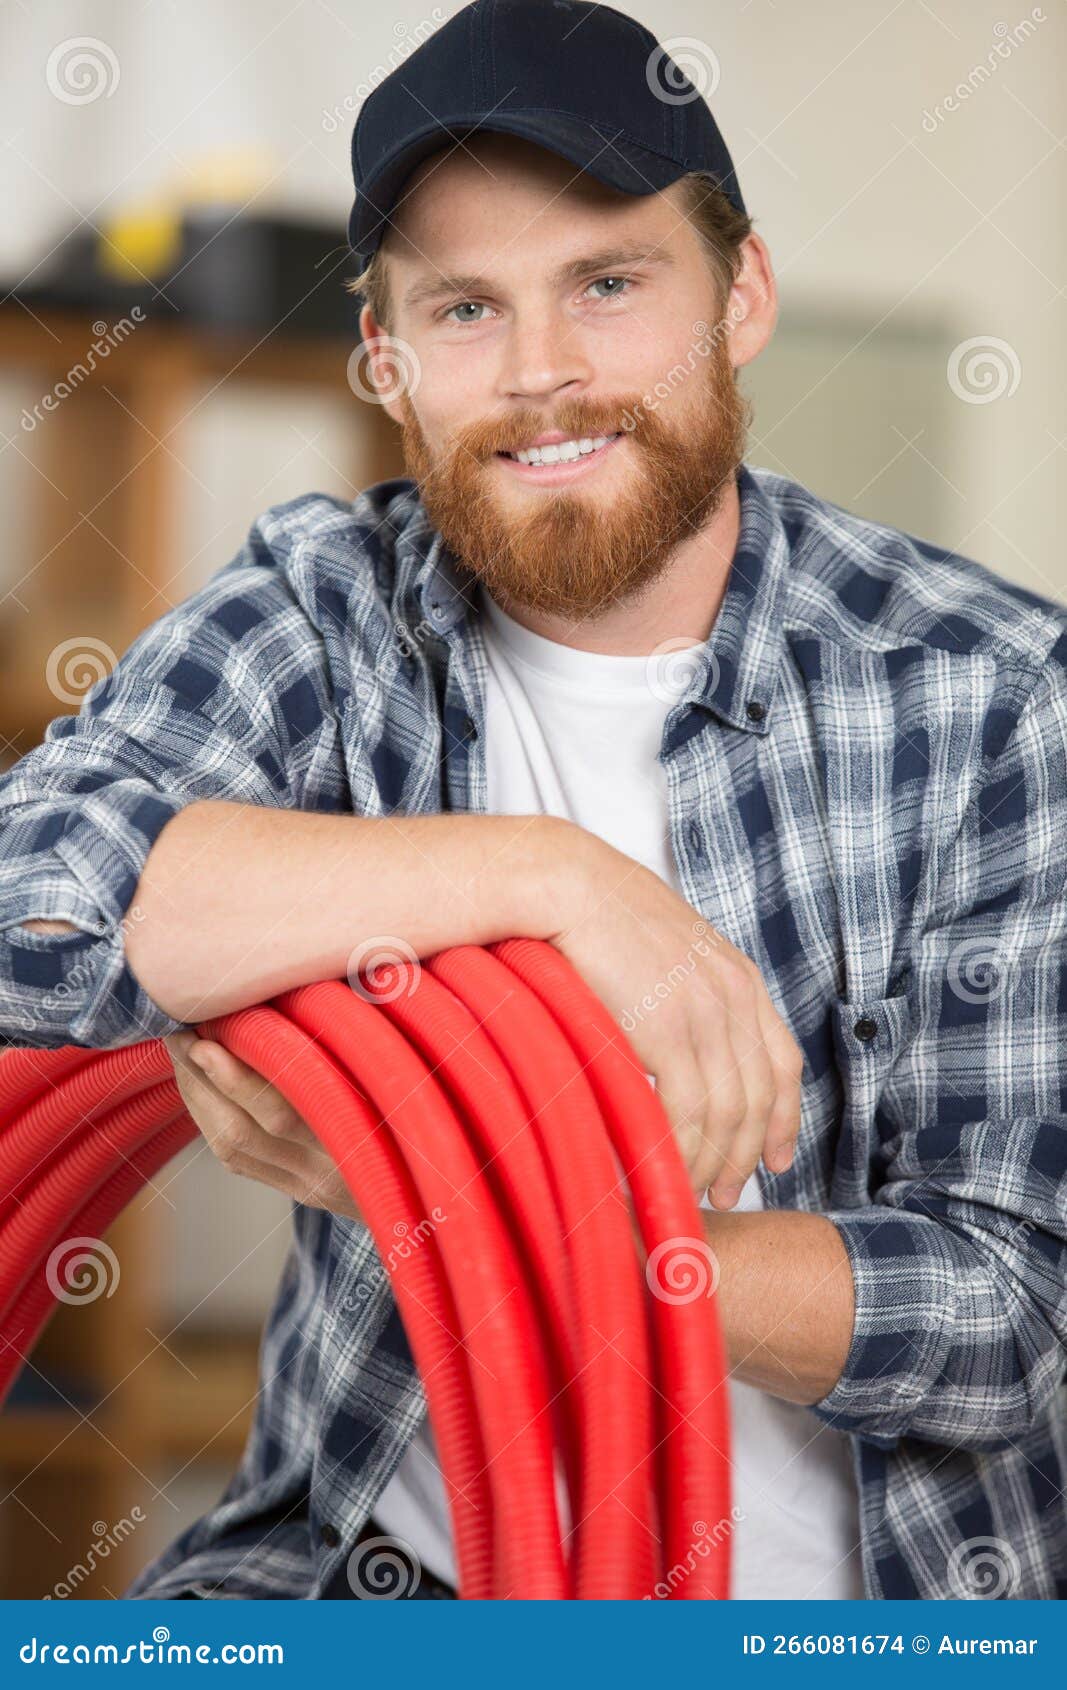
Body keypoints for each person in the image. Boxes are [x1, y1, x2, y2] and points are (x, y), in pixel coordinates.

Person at [1, 0, 1064, 1602]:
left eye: (611, 284)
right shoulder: (328, 610)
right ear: (387, 360)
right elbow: (36, 894)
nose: (545, 374)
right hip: (365, 1591)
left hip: (847, 1618)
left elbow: (1005, 1308)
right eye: (466, 309)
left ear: (745, 295)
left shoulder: (995, 695)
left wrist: (484, 1204)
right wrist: (552, 874)